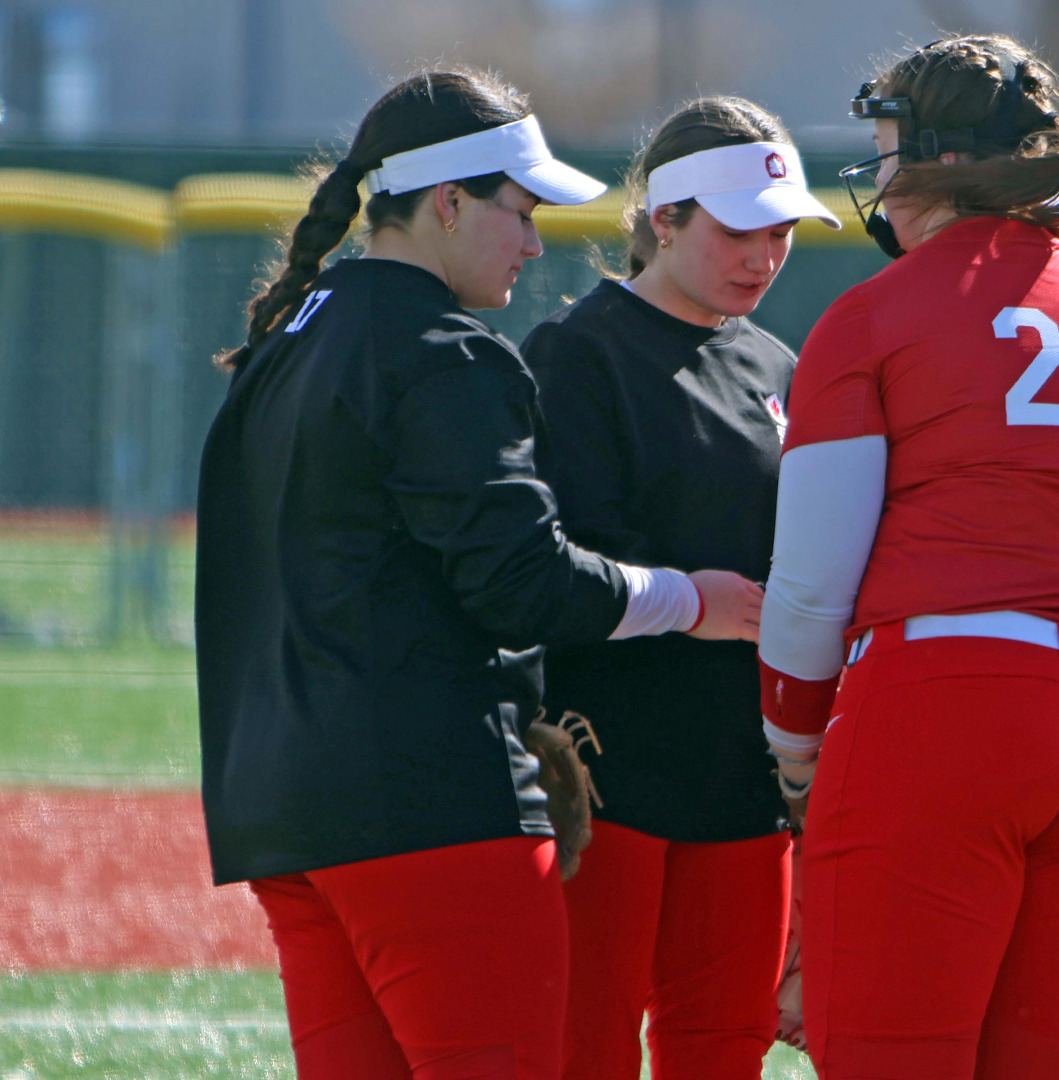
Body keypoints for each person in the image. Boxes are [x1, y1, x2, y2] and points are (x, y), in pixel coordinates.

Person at [194, 70, 760, 1080]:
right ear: (448, 201)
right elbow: (523, 583)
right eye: (523, 210)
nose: (536, 242)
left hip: (282, 813)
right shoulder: (447, 351)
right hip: (429, 812)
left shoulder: (288, 338)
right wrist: (688, 600)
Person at [755, 34, 1059, 1080]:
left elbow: (812, 579)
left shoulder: (872, 317)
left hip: (944, 700)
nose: (880, 168)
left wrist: (794, 737)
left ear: (945, 159)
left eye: (893, 145)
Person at [518, 96, 838, 1080]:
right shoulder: (577, 354)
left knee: (724, 1046)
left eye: (782, 231)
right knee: (586, 1043)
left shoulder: (781, 365)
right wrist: (691, 601)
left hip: (744, 773)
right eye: (740, 229)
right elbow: (552, 566)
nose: (766, 254)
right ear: (665, 220)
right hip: (608, 764)